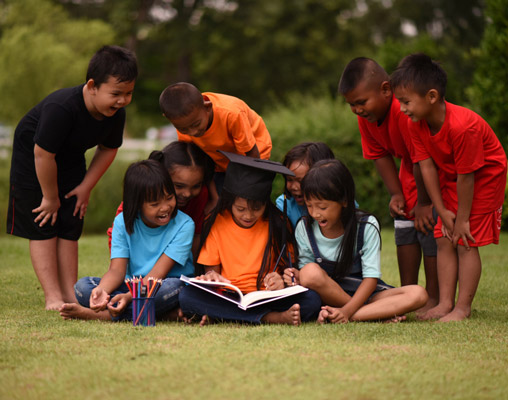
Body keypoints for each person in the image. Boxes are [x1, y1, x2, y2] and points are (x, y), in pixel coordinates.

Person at [6, 45, 138, 310]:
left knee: (71, 220)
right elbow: (43, 155)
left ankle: (70, 293)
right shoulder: (62, 107)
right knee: (44, 221)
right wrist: (50, 197)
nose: (122, 100)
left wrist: (85, 187)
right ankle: (52, 296)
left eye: (128, 94)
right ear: (92, 86)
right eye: (115, 93)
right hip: (35, 160)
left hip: (70, 158)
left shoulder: (115, 114)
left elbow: (109, 149)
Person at [390, 53, 507, 322]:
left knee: (465, 239)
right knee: (443, 236)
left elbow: (469, 176)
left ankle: (462, 308)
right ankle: (444, 304)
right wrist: (440, 210)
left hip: (484, 177)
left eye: (406, 102)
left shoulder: (463, 127)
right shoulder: (415, 124)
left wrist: (463, 219)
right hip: (455, 175)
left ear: (431, 96)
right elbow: (426, 166)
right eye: (400, 102)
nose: (402, 108)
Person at [338, 57, 438, 314]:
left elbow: (421, 159)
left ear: (385, 90)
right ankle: (407, 293)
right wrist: (396, 194)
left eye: (361, 102)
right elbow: (380, 155)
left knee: (428, 229)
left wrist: (425, 203)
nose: (358, 110)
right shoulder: (367, 120)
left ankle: (434, 298)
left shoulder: (404, 112)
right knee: (404, 226)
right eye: (352, 105)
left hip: (432, 173)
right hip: (410, 170)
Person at [178, 152, 322, 325]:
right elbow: (212, 272)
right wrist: (211, 277)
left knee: (312, 299)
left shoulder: (277, 222)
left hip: (267, 296)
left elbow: (287, 271)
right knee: (187, 296)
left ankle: (224, 316)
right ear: (230, 202)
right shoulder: (217, 221)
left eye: (256, 208)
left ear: (265, 204)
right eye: (240, 208)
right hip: (229, 296)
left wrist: (280, 280)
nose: (248, 215)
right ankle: (271, 318)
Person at [284, 159, 427, 323]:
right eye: (309, 206)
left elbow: (371, 278)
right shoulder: (305, 227)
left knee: (418, 294)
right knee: (309, 272)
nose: (315, 214)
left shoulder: (366, 225)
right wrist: (297, 275)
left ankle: (349, 315)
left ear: (344, 201)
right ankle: (375, 315)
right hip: (327, 294)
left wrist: (347, 311)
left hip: (366, 294)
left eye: (322, 207)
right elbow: (308, 277)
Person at [59, 159, 195, 321]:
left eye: (169, 198)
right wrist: (102, 291)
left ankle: (102, 316)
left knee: (173, 288)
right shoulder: (122, 222)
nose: (165, 207)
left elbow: (156, 275)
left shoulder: (184, 225)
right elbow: (117, 271)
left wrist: (128, 297)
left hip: (161, 285)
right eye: (155, 204)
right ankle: (161, 314)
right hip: (131, 286)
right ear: (137, 204)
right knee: (83, 287)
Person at [158, 82, 272, 199]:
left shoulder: (231, 114)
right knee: (221, 200)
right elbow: (201, 162)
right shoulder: (185, 121)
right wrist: (214, 198)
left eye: (196, 124)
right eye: (183, 129)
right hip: (220, 159)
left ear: (207, 107)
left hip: (254, 156)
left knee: (245, 199)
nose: (192, 133)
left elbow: (252, 155)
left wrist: (251, 186)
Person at [107, 141, 214, 261]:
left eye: (196, 186)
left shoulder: (199, 197)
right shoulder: (141, 197)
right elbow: (119, 234)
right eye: (178, 186)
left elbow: (197, 236)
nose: (187, 193)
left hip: (177, 265)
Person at [275, 142, 336, 228]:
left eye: (301, 181)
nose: (294, 187)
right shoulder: (285, 206)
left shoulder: (339, 203)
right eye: (289, 179)